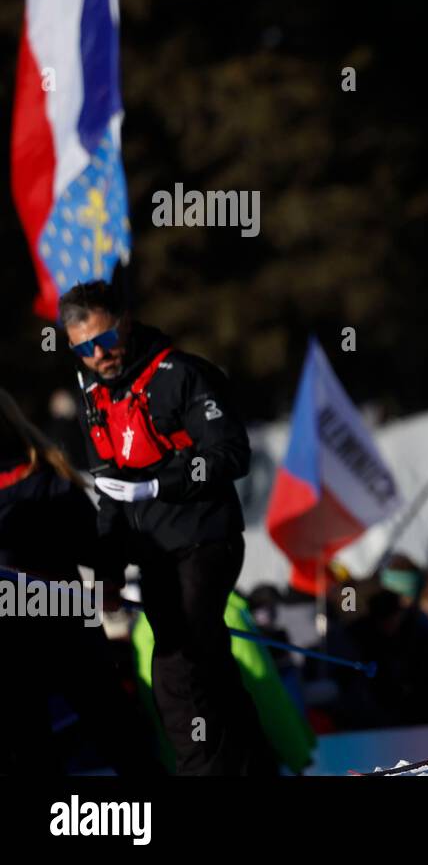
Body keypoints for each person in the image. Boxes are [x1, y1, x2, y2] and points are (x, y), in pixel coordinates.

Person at [58, 280, 275, 774]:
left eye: (105, 339)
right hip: (154, 552)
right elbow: (111, 496)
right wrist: (109, 574)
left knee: (176, 667)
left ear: (124, 323)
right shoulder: (96, 400)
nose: (100, 355)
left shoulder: (180, 375)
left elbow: (231, 454)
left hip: (205, 538)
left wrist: (160, 484)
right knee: (210, 664)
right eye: (84, 348)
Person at [0, 389, 162, 775]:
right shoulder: (40, 482)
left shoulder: (45, 479)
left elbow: (96, 546)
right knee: (32, 750)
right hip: (23, 639)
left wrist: (108, 582)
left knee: (117, 735)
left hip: (61, 625)